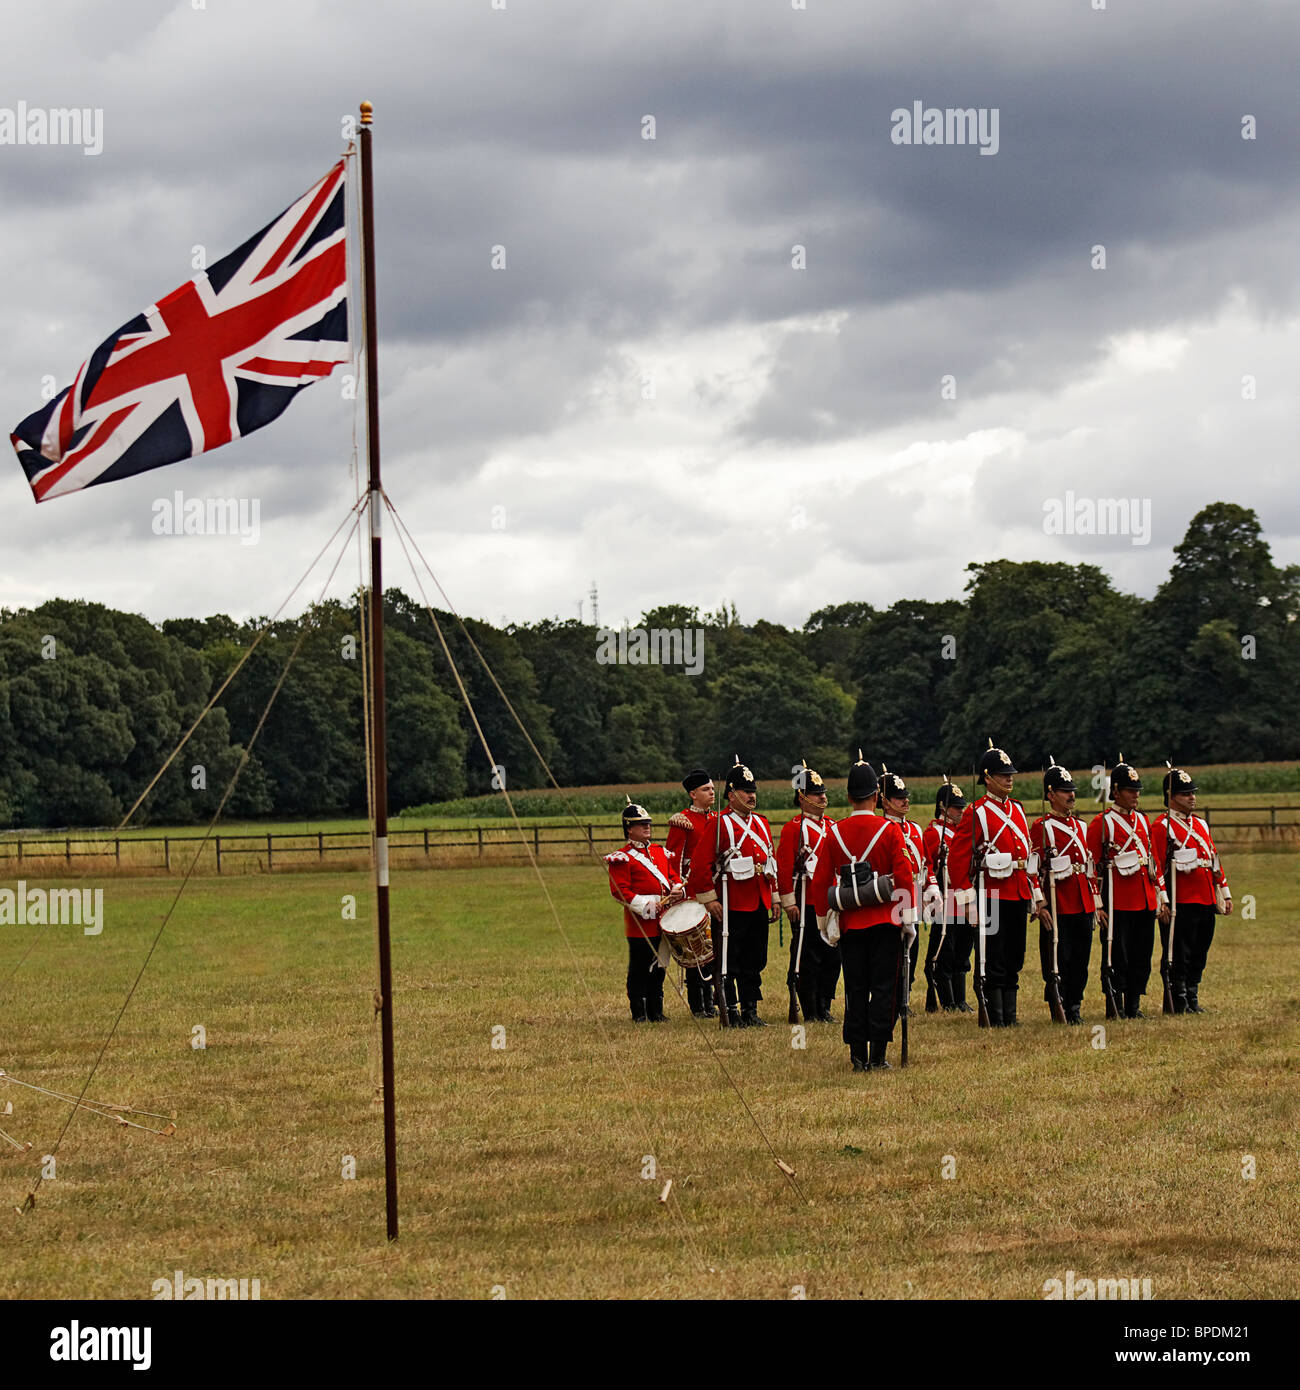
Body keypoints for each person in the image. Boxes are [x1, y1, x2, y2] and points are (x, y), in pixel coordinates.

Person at [811, 753, 916, 1071]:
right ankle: (878, 1055)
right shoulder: (890, 831)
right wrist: (907, 920)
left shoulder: (834, 833)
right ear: (876, 797)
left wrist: (822, 923)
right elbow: (904, 877)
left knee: (855, 988)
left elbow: (819, 882)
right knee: (884, 988)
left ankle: (857, 1056)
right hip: (885, 921)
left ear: (848, 797)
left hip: (850, 923)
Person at [948, 742, 1045, 1028]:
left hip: (1017, 890)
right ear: (987, 778)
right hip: (991, 893)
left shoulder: (1017, 809)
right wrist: (968, 903)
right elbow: (957, 861)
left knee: (1015, 955)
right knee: (994, 956)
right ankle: (996, 1015)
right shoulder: (975, 813)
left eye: (1011, 774)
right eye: (1003, 775)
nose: (1009, 779)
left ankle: (1010, 1015)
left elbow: (1027, 855)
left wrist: (1036, 894)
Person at [1086, 758, 1169, 1020]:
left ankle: (1134, 1003)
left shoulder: (1143, 821)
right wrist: (1097, 903)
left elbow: (1154, 861)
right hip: (1117, 899)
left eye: (1138, 791)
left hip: (1144, 897)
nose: (1135, 796)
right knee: (1116, 954)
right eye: (1131, 791)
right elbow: (1092, 868)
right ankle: (1116, 1002)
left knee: (1141, 955)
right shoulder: (1102, 823)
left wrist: (1162, 896)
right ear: (1116, 791)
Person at [696, 757, 777, 1027]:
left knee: (755, 958)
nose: (752, 796)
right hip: (732, 902)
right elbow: (700, 866)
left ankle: (750, 1009)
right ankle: (729, 1008)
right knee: (730, 960)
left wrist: (774, 897)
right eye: (745, 791)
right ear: (731, 795)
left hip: (758, 899)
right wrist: (710, 899)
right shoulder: (719, 824)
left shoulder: (762, 824)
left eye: (753, 791)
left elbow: (769, 862)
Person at [1151, 766, 1232, 1014]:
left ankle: (1193, 996)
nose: (1192, 797)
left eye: (1193, 792)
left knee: (1199, 951)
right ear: (1171, 796)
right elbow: (1156, 867)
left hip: (1205, 896)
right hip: (1180, 899)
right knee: (1179, 953)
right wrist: (1162, 901)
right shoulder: (1161, 827)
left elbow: (1213, 859)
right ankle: (1179, 998)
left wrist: (1225, 892)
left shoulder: (1200, 824)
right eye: (1186, 793)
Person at [1029, 759, 1097, 1025]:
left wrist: (1097, 902)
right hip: (1059, 902)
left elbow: (1089, 868)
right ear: (1050, 795)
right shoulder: (1041, 827)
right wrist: (1040, 903)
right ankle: (1059, 1003)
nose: (1071, 795)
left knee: (1081, 958)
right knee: (1059, 958)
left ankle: (1075, 1004)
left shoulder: (1080, 826)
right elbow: (1033, 868)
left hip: (1083, 901)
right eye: (1064, 791)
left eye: (1072, 790)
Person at [605, 799, 685, 1022]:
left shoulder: (660, 852)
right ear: (629, 829)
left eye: (648, 823)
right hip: (641, 922)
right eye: (641, 824)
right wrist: (648, 904)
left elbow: (672, 877)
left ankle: (656, 1010)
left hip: (664, 918)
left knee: (660, 966)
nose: (647, 827)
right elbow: (620, 891)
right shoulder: (622, 857)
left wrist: (677, 889)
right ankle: (639, 1012)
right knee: (640, 967)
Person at [776, 761, 840, 1022]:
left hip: (831, 901)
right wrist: (789, 901)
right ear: (802, 797)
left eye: (823, 792)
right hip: (806, 901)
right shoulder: (794, 828)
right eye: (816, 793)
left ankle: (825, 1004)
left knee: (832, 956)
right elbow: (784, 867)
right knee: (809, 957)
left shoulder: (832, 826)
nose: (823, 796)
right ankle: (811, 1009)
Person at [665, 768, 718, 1018]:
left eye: (712, 789)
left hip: (714, 891)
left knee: (714, 947)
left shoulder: (716, 819)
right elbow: (672, 859)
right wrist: (675, 886)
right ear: (693, 794)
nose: (712, 793)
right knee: (697, 951)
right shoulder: (683, 821)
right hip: (691, 893)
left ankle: (713, 998)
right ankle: (699, 1004)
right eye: (706, 790)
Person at [921, 778, 967, 1011]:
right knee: (944, 950)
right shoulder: (933, 834)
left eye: (961, 806)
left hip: (964, 899)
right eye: (956, 807)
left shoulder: (962, 833)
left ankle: (960, 999)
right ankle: (947, 1001)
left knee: (962, 952)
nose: (961, 810)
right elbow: (927, 867)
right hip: (946, 901)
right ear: (942, 807)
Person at [879, 765, 925, 988]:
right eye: (898, 798)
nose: (905, 801)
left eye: (905, 796)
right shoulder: (882, 829)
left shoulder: (915, 829)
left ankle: (905, 993)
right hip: (891, 898)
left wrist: (931, 887)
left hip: (913, 895)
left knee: (912, 950)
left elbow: (926, 865)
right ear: (885, 801)